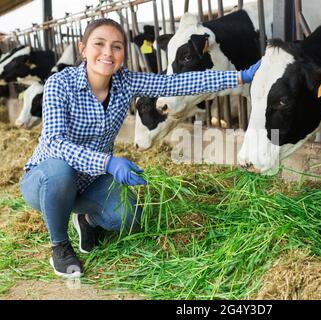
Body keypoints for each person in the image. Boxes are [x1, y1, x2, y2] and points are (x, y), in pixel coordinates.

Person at [19, 18, 261, 278]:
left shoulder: (124, 81)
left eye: (117, 47)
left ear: (123, 53)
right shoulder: (59, 84)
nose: (108, 53)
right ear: (83, 48)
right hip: (46, 182)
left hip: (89, 182)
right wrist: (108, 164)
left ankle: (87, 220)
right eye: (99, 44)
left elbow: (176, 84)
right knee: (59, 170)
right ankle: (60, 246)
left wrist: (240, 76)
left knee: (130, 218)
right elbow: (55, 143)